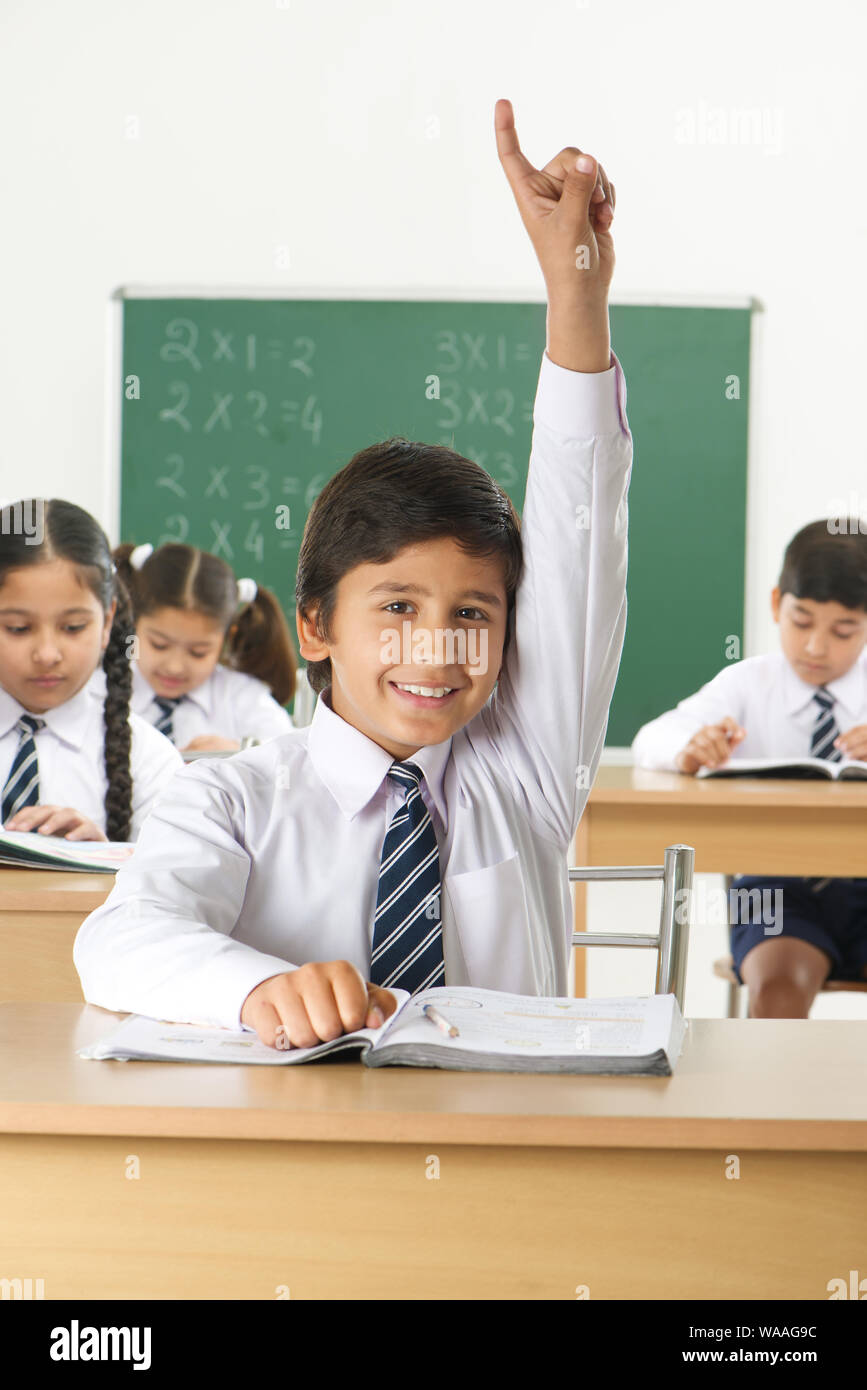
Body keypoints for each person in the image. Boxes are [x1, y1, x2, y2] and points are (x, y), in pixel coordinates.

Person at [74, 98, 630, 1045]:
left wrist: (574, 286)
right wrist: (255, 990)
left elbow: (583, 525)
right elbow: (120, 939)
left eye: (473, 613)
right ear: (315, 626)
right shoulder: (234, 797)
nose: (437, 645)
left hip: (513, 1168)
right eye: (398, 606)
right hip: (304, 1172)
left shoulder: (527, 769)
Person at [632, 520, 867, 1015]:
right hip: (777, 888)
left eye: (843, 631)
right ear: (775, 602)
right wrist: (689, 750)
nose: (816, 647)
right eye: (801, 621)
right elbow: (651, 737)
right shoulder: (747, 683)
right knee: (778, 991)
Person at [0, 498, 182, 841]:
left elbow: (171, 891)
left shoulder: (150, 762)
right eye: (18, 628)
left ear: (106, 621)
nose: (47, 654)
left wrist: (102, 864)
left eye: (73, 627)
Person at [112, 541, 296, 750]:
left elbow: (292, 763)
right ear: (133, 623)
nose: (175, 667)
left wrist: (238, 759)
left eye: (198, 653)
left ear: (226, 638)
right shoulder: (102, 688)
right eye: (159, 645)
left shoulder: (243, 698)